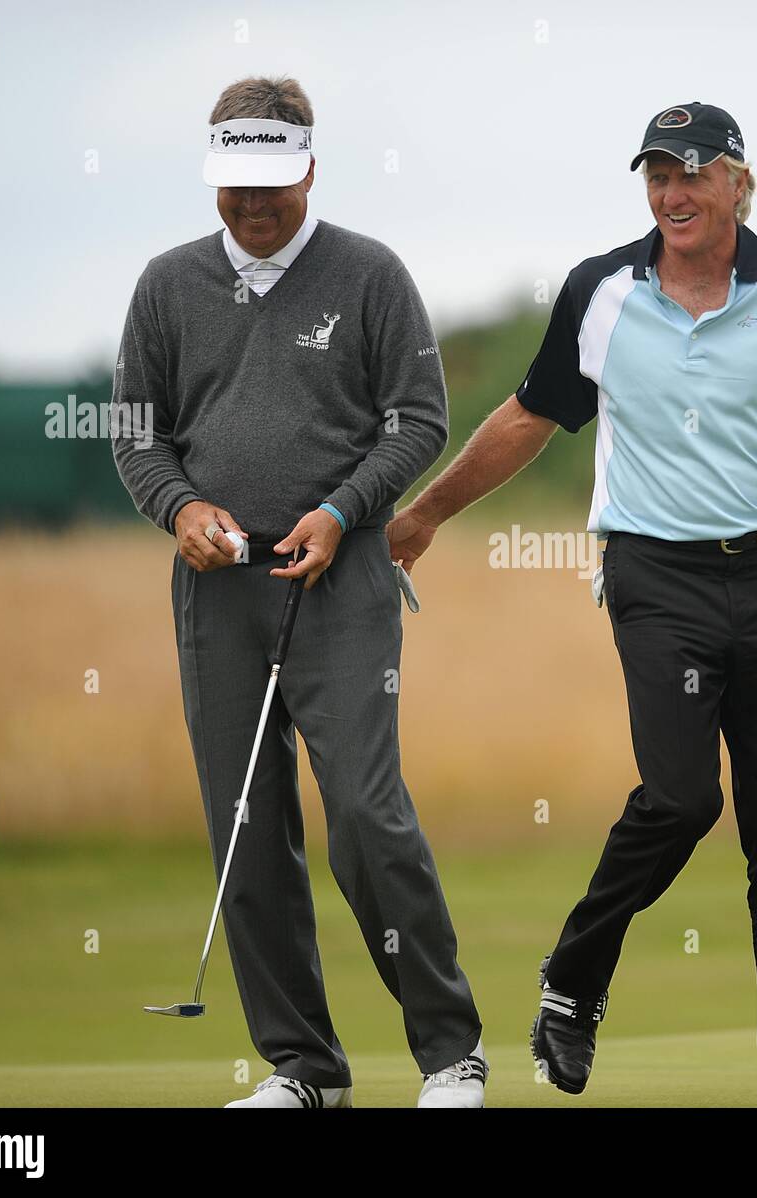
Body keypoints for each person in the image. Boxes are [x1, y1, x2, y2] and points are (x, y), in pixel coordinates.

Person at [387, 102, 757, 1108]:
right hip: (654, 576)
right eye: (657, 176)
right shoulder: (601, 292)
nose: (672, 194)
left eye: (693, 175)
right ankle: (575, 977)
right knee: (681, 797)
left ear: (738, 183)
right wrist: (425, 513)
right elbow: (530, 416)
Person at [111, 75, 486, 1109]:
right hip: (218, 580)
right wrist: (181, 509)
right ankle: (304, 1069)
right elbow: (138, 436)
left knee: (366, 813)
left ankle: (451, 1053)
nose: (251, 205)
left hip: (343, 572)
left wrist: (342, 508)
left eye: (271, 185)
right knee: (246, 822)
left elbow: (418, 418)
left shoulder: (368, 274)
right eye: (233, 186)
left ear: (310, 168)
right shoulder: (164, 284)